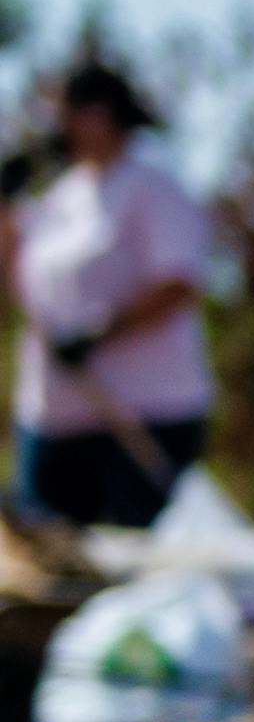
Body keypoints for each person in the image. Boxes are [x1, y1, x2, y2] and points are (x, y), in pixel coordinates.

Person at [9, 56, 216, 534]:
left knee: (128, 553)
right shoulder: (60, 196)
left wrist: (96, 334)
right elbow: (19, 286)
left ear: (100, 113)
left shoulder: (151, 182)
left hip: (138, 414)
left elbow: (180, 283)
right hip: (54, 416)